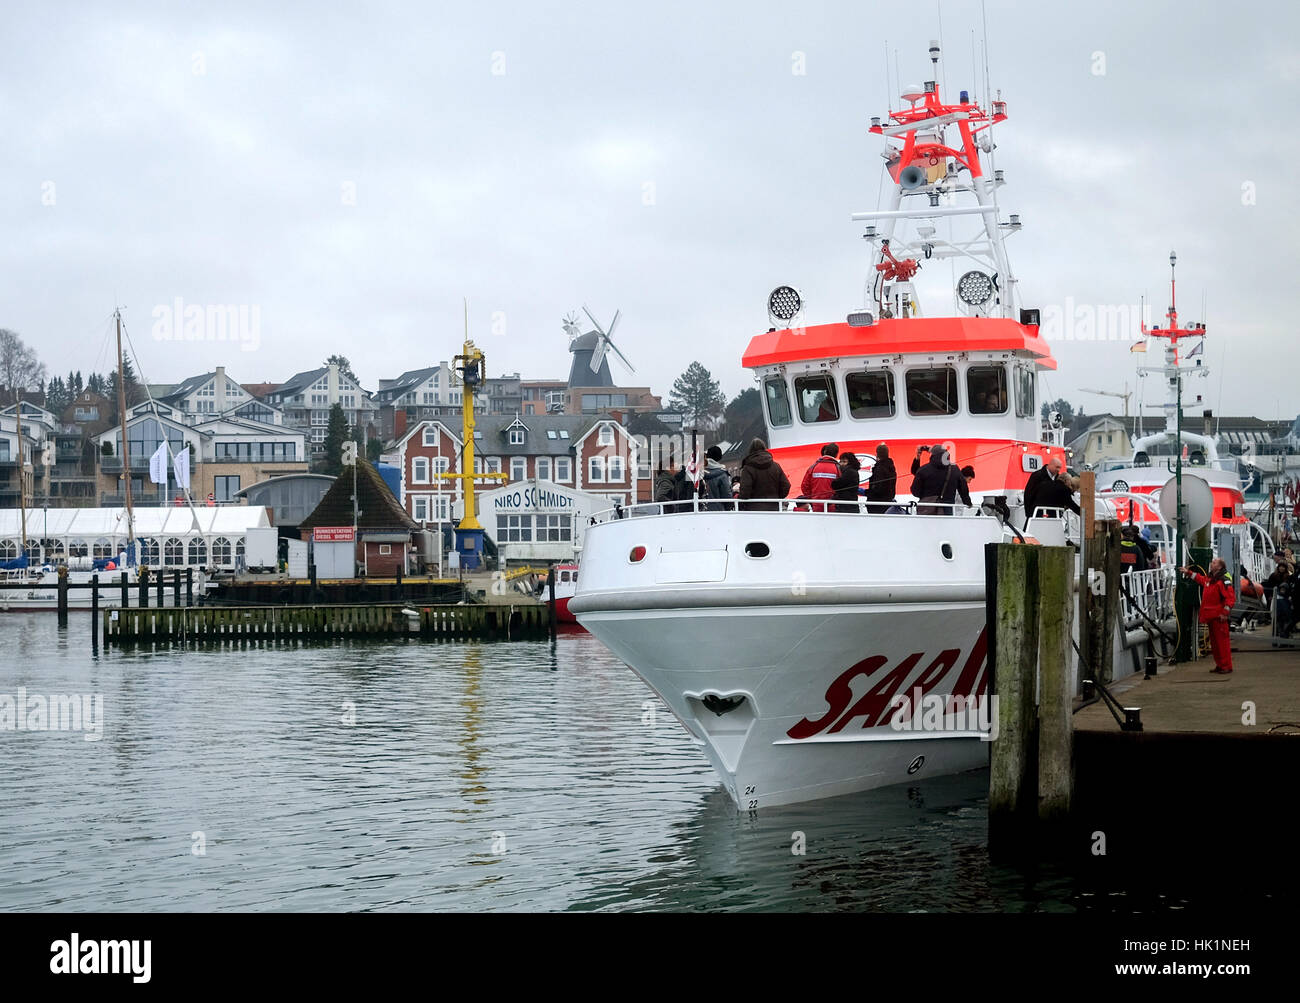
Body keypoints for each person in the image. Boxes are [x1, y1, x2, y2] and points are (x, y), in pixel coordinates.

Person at [1181, 558, 1236, 673]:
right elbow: (1201, 579)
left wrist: (1224, 613)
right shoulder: (1211, 579)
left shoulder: (1223, 581)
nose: (1211, 563)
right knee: (1215, 644)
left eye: (1214, 562)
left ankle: (1226, 666)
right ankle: (1220, 665)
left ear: (1220, 567)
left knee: (1222, 643)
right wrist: (1188, 573)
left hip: (1218, 617)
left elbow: (1230, 599)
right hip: (1211, 617)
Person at [911, 445, 971, 515]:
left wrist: (926, 496)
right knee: (946, 525)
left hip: (926, 510)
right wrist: (968, 503)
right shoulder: (954, 469)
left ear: (932, 455)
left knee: (926, 526)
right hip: (947, 510)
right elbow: (963, 488)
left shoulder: (924, 470)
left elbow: (915, 491)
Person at [739, 437, 791, 511]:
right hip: (775, 507)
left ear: (751, 450)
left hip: (754, 509)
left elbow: (745, 492)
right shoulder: (776, 466)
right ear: (764, 448)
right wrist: (777, 497)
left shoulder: (747, 468)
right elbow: (786, 485)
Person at [801, 443, 841, 513]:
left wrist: (811, 499)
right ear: (836, 454)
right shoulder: (838, 468)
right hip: (832, 505)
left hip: (816, 504)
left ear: (825, 452)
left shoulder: (813, 467)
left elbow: (805, 486)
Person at [865, 444, 896, 514]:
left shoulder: (879, 468)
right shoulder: (891, 467)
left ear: (877, 454)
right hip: (888, 502)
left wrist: (867, 493)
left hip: (877, 505)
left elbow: (878, 488)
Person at [701, 445, 732, 512]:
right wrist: (728, 507)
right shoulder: (722, 474)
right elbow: (727, 495)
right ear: (719, 457)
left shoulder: (697, 473)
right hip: (718, 512)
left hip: (699, 511)